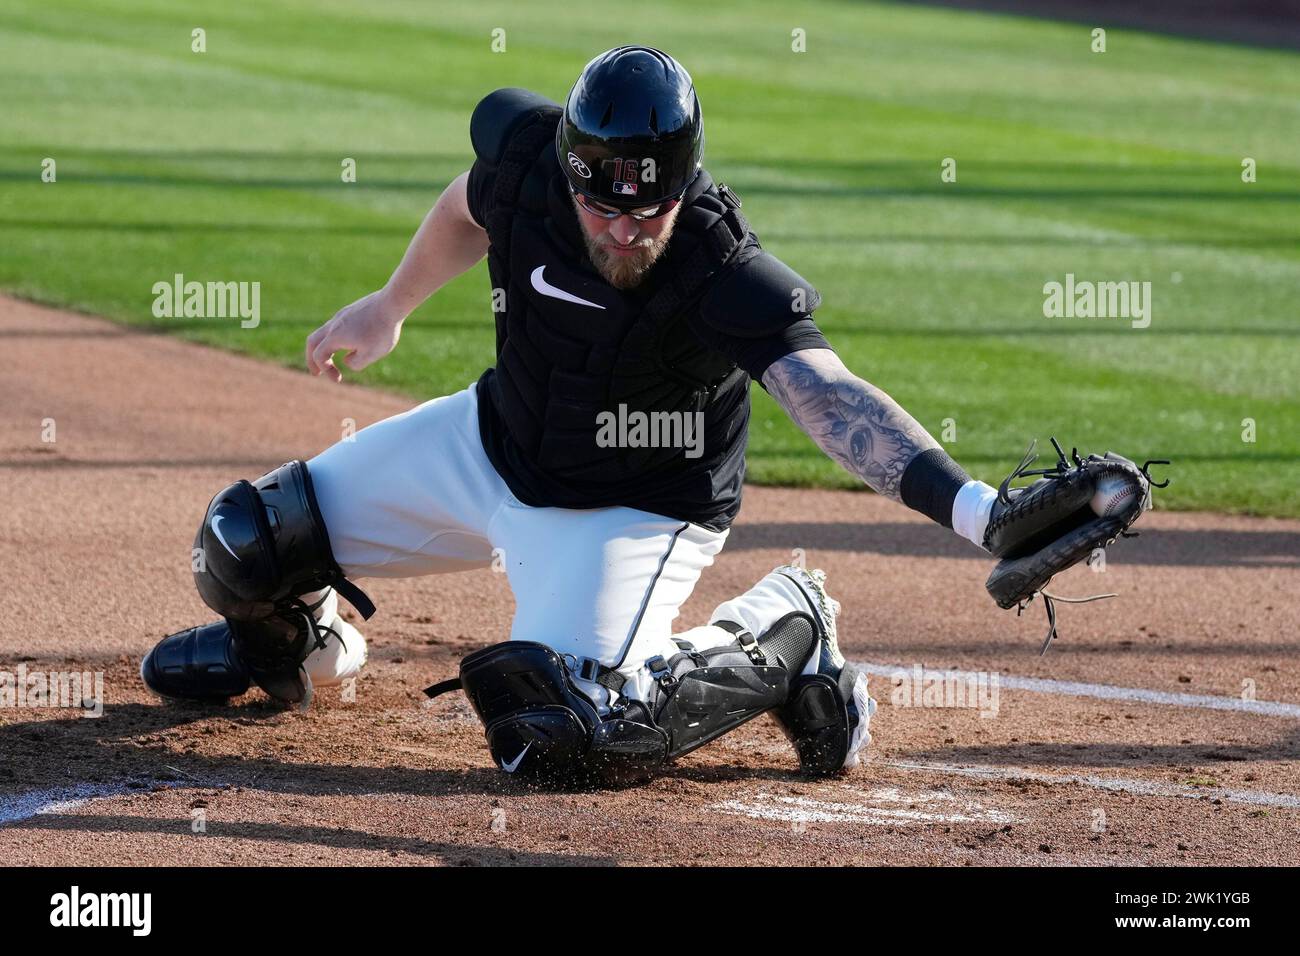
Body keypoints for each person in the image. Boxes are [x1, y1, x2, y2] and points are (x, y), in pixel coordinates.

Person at [141, 46, 1010, 782]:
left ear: (686, 180)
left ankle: (786, 632)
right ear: (571, 170)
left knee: (570, 735)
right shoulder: (528, 163)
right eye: (602, 206)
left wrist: (980, 512)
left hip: (631, 512)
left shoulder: (721, 267)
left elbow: (833, 396)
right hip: (491, 445)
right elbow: (466, 204)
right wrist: (391, 304)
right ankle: (299, 651)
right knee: (245, 541)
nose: (626, 231)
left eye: (651, 210)